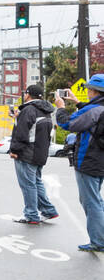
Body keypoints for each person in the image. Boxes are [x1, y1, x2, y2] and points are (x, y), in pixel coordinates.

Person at [53, 74, 104, 251]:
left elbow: (67, 124)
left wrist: (60, 107)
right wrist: (77, 103)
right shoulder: (97, 108)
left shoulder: (93, 110)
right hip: (101, 160)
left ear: (92, 90)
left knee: (91, 202)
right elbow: (92, 117)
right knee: (96, 199)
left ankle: (99, 241)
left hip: (88, 160)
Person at [9, 83, 59, 225]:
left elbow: (22, 133)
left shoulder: (29, 110)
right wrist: (17, 118)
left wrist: (14, 150)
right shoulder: (46, 110)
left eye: (25, 93)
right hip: (40, 153)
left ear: (28, 94)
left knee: (28, 184)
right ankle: (48, 210)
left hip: (26, 153)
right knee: (36, 182)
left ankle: (31, 214)